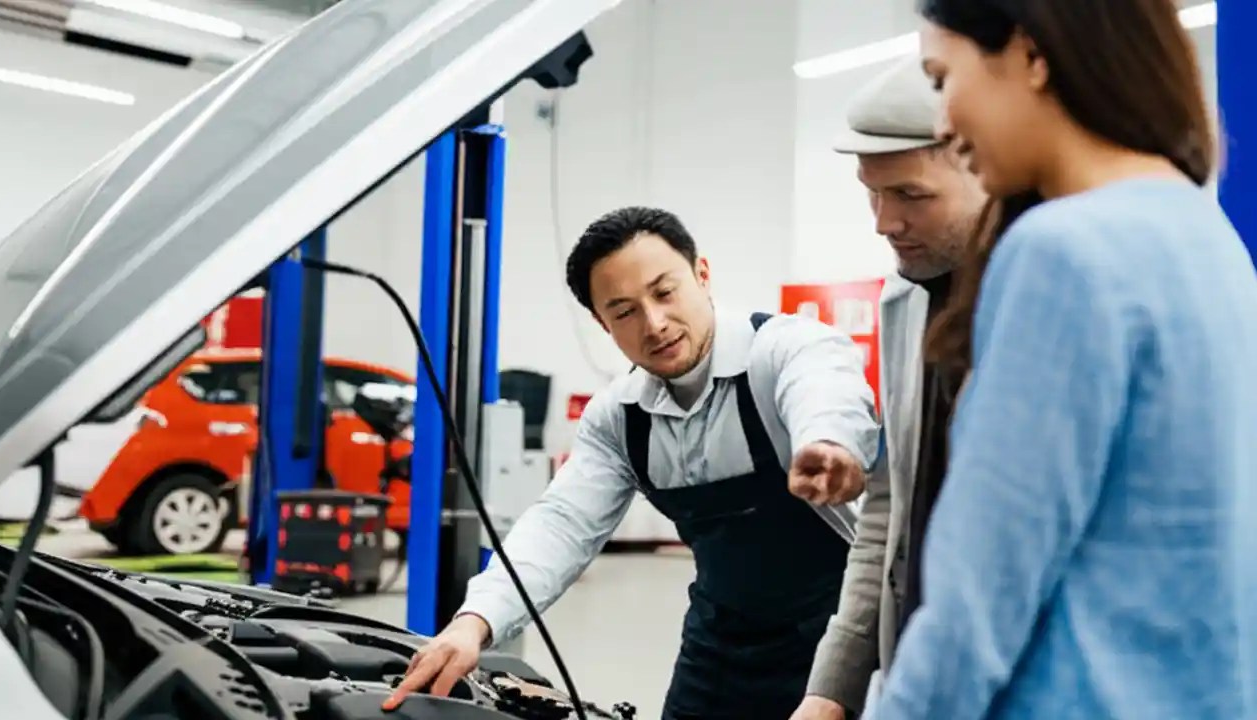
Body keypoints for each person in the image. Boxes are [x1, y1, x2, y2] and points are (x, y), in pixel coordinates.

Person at [862, 1, 1257, 718]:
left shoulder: (1064, 253)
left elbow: (975, 605)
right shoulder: (1213, 241)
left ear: (1030, 55)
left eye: (942, 77)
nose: (945, 122)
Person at [383, 206, 881, 718]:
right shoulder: (618, 418)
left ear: (702, 275)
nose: (655, 323)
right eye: (624, 312)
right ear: (602, 323)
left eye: (665, 292)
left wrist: (828, 442)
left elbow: (825, 389)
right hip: (719, 651)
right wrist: (474, 621)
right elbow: (562, 523)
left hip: (840, 642)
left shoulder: (784, 350)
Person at [788, 57, 986, 720]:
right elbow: (889, 510)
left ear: (983, 168)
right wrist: (832, 687)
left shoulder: (1040, 299)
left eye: (910, 195)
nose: (883, 222)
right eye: (872, 193)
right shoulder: (903, 297)